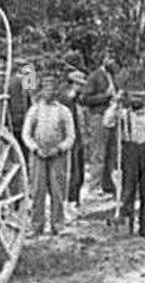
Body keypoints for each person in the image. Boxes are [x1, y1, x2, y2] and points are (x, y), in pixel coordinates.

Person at [22, 74, 76, 237]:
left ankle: (57, 224)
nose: (48, 92)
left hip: (57, 156)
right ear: (41, 91)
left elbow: (71, 136)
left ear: (56, 92)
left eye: (51, 89)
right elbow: (26, 134)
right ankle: (36, 225)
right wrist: (35, 148)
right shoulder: (34, 110)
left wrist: (59, 149)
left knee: (57, 190)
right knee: (37, 191)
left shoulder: (64, 111)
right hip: (38, 155)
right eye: (45, 89)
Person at [117, 79, 145, 238]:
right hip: (130, 153)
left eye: (139, 97)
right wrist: (115, 103)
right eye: (133, 97)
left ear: (144, 98)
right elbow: (107, 121)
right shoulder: (123, 114)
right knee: (128, 190)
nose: (136, 100)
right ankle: (127, 225)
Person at [79, 56, 117, 195]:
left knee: (111, 152)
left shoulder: (112, 76)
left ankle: (107, 184)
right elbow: (84, 98)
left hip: (112, 116)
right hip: (99, 116)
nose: (114, 63)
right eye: (112, 60)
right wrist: (105, 97)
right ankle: (94, 185)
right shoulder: (95, 76)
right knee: (98, 151)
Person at [59, 69, 86, 219]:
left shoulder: (74, 99)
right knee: (72, 172)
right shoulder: (66, 98)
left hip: (78, 138)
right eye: (79, 84)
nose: (81, 88)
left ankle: (74, 202)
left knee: (79, 172)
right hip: (70, 139)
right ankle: (69, 203)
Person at [7, 60, 36, 153]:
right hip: (19, 120)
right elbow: (24, 101)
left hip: (12, 118)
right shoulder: (22, 81)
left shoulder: (9, 80)